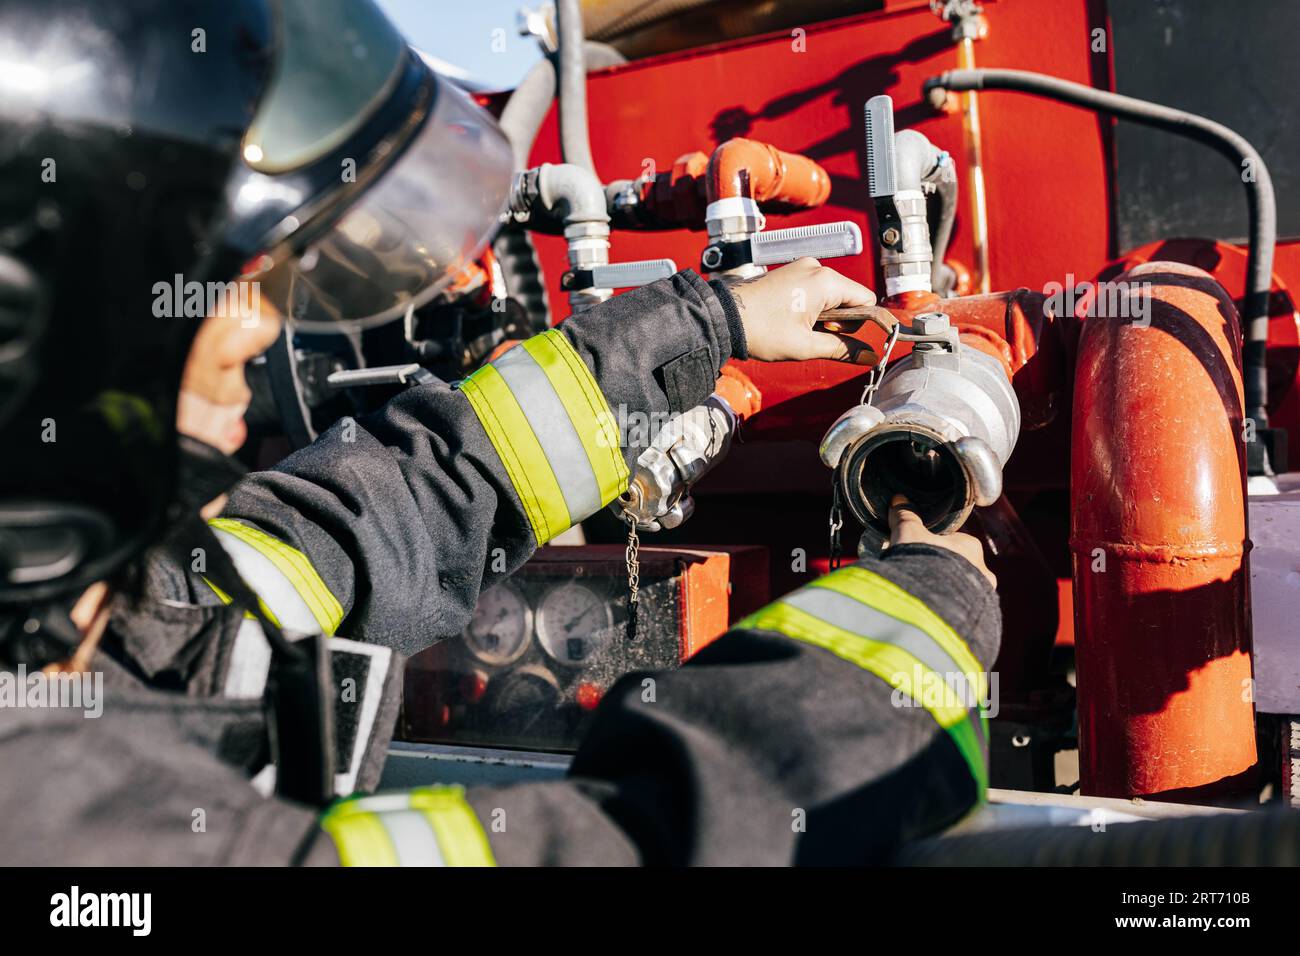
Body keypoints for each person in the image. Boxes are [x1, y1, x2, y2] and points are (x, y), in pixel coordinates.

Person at [0, 0, 998, 865]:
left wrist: (711, 322)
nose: (259, 325)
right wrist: (910, 634)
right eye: (221, 282)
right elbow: (631, 844)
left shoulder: (87, 619)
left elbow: (363, 527)